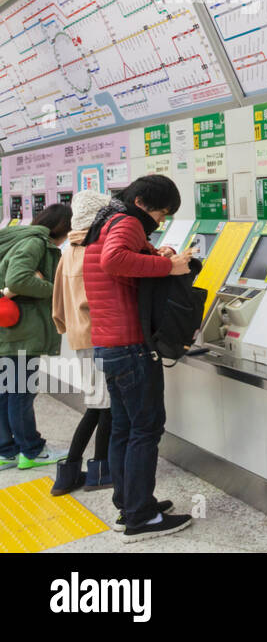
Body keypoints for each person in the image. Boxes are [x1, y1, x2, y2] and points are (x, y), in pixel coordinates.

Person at [83, 176, 194, 543]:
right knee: (145, 429)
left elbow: (117, 266)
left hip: (110, 343)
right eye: (162, 212)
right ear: (144, 202)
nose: (160, 221)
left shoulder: (108, 220)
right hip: (130, 344)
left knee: (124, 428)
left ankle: (128, 505)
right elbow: (115, 261)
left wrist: (152, 256)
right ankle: (141, 518)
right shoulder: (128, 221)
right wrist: (169, 267)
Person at [50, 191, 115, 496]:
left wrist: (67, 326)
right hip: (99, 336)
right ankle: (98, 469)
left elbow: (58, 301)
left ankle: (70, 471)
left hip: (79, 338)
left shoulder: (67, 252)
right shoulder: (95, 250)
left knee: (97, 402)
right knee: (104, 405)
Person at [0, 204, 73, 472]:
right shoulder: (35, 243)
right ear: (63, 227)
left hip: (11, 329)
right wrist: (55, 290)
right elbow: (18, 279)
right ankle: (32, 450)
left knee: (7, 393)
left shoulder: (18, 236)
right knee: (20, 393)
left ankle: (7, 451)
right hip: (23, 331)